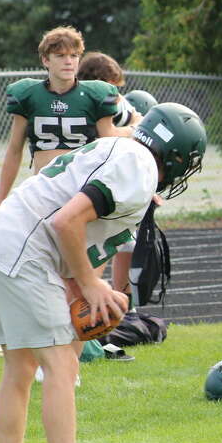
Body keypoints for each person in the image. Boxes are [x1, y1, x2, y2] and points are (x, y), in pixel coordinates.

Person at [0, 103, 206, 443]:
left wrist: (77, 284)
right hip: (26, 247)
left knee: (20, 366)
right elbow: (65, 221)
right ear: (178, 156)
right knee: (60, 365)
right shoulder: (140, 166)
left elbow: (68, 219)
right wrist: (90, 284)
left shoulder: (119, 149)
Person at [0, 27, 126, 207]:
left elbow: (111, 142)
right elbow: (14, 149)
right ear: (45, 60)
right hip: (43, 188)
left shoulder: (96, 94)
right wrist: (0, 198)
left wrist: (136, 129)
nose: (68, 62)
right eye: (60, 55)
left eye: (74, 56)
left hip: (82, 189)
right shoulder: (27, 94)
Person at [76, 52, 159, 300]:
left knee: (117, 244)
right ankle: (98, 305)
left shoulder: (77, 101)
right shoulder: (108, 104)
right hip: (101, 182)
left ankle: (121, 305)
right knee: (103, 246)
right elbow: (111, 134)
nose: (116, 92)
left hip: (87, 178)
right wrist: (136, 125)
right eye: (112, 86)